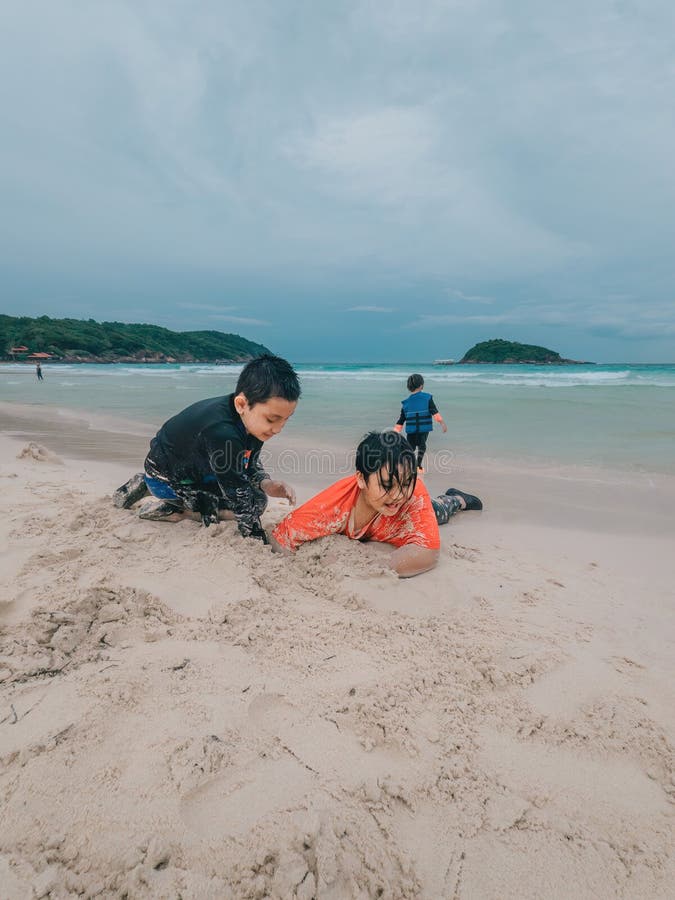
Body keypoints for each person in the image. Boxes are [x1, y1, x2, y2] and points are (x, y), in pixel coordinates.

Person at [113, 355, 300, 542]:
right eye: (272, 419)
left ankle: (147, 485)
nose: (277, 429)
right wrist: (258, 539)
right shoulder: (222, 431)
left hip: (197, 467)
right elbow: (238, 494)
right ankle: (173, 508)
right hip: (168, 479)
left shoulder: (250, 420)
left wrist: (267, 484)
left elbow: (246, 462)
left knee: (258, 498)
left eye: (285, 420)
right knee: (249, 505)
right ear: (242, 404)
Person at [271, 431, 482, 577]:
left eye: (406, 482)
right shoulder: (333, 504)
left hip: (416, 509)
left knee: (440, 511)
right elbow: (282, 537)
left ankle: (457, 499)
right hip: (375, 514)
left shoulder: (410, 494)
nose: (399, 494)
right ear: (361, 479)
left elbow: (428, 553)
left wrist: (371, 567)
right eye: (388, 485)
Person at [394, 374, 446, 473]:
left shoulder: (406, 403)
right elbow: (434, 411)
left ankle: (406, 464)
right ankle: (418, 464)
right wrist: (442, 423)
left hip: (411, 431)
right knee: (422, 445)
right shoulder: (427, 398)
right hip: (423, 430)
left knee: (410, 448)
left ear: (408, 387)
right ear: (422, 385)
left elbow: (401, 419)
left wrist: (395, 431)